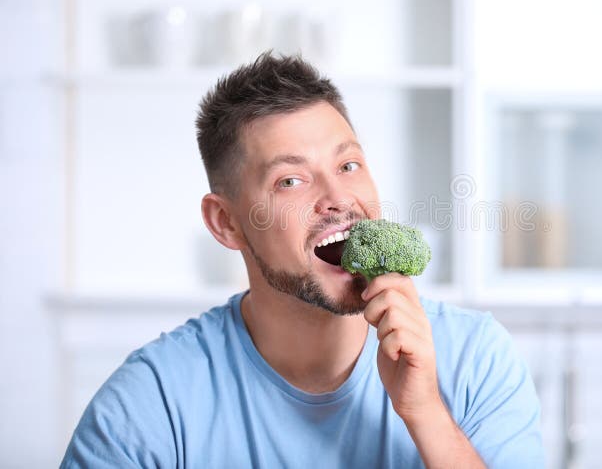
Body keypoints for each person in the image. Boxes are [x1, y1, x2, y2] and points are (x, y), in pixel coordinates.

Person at [60, 53, 545, 468]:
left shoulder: (475, 359)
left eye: (348, 166)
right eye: (290, 180)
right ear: (226, 223)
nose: (338, 198)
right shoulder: (152, 401)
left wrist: (426, 414)